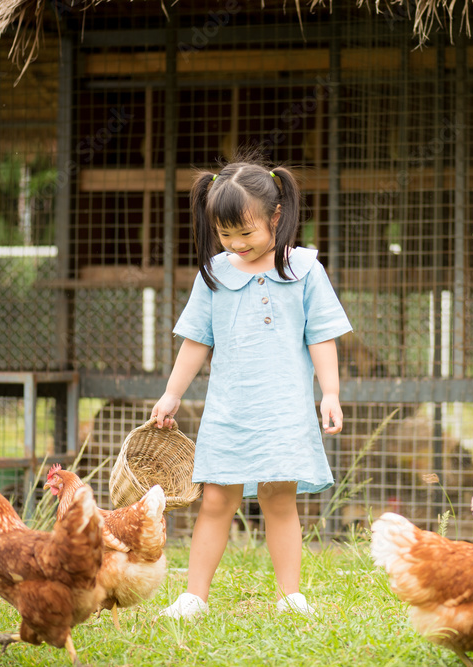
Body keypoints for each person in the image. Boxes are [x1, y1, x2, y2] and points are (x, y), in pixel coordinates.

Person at [152, 159, 352, 620]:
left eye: (247, 233)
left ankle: (290, 597)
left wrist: (331, 393)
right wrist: (172, 393)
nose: (237, 245)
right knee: (217, 498)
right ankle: (194, 597)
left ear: (276, 217)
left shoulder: (303, 269)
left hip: (284, 409)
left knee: (278, 497)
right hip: (228, 410)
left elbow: (321, 335)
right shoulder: (215, 274)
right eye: (225, 235)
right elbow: (196, 341)